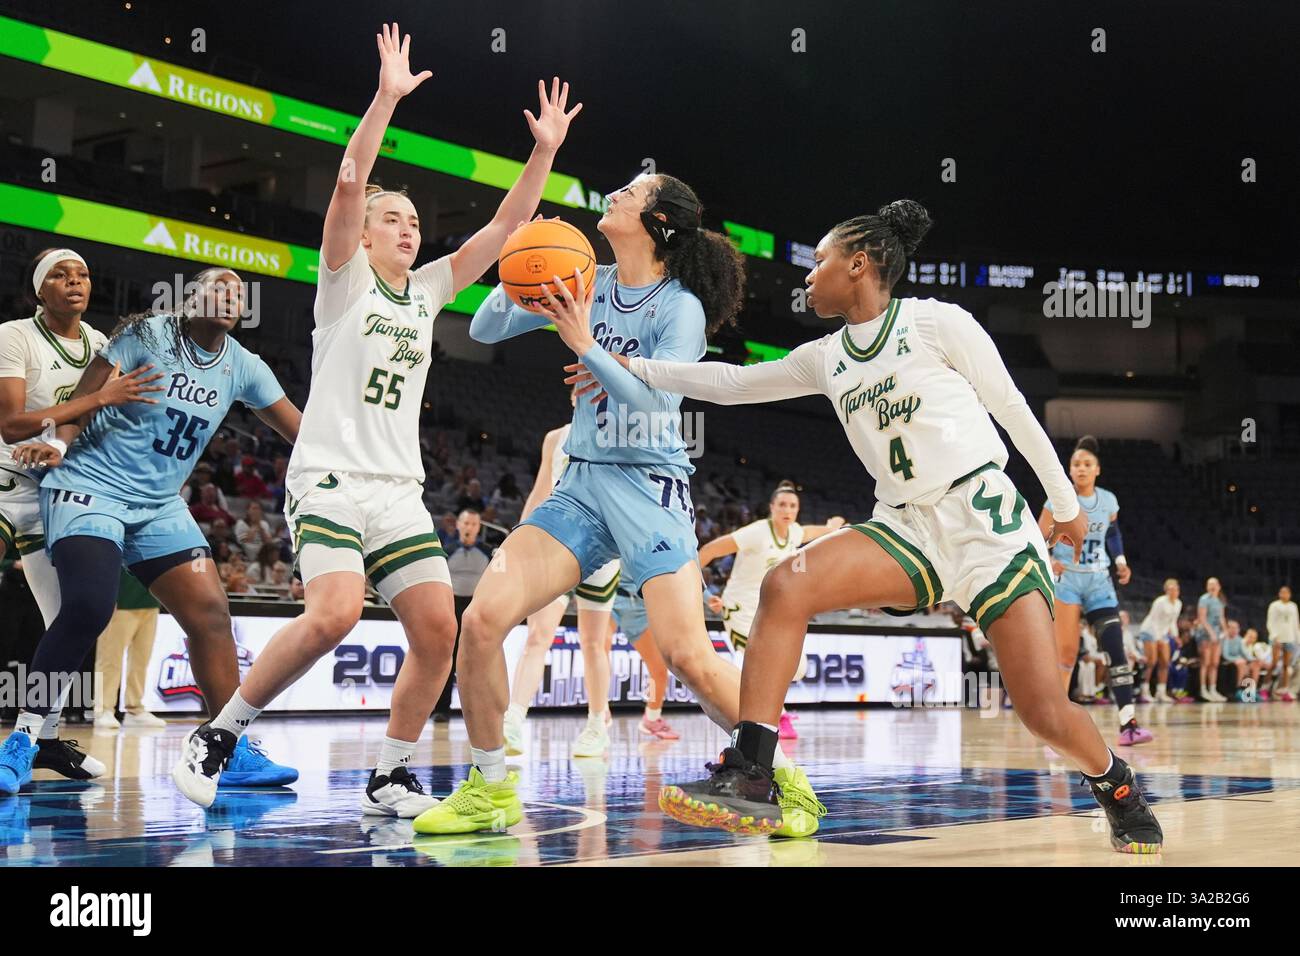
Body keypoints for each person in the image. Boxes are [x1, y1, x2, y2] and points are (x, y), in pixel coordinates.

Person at [587, 199, 1162, 853]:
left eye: (822, 258)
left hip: (985, 525)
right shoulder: (826, 358)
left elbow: (1012, 407)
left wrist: (1063, 504)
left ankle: (1116, 783)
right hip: (906, 526)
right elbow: (731, 382)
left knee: (1043, 711)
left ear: (858, 264)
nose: (809, 273)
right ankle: (752, 771)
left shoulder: (935, 323)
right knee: (785, 587)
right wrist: (630, 365)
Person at [177, 24, 582, 818]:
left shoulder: (426, 290)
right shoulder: (344, 281)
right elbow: (348, 182)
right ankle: (219, 735)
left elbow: (506, 232)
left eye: (413, 223)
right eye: (392, 220)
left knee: (439, 629)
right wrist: (386, 98)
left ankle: (392, 771)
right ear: (364, 236)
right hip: (329, 476)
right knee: (332, 614)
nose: (407, 228)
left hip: (397, 487)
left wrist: (543, 153)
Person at [414, 171, 827, 838]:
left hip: (649, 488)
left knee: (688, 654)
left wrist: (588, 347)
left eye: (631, 193)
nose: (615, 195)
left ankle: (785, 782)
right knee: (483, 620)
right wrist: (520, 259)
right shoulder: (586, 277)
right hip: (582, 485)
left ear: (660, 221)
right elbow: (488, 322)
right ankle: (490, 789)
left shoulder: (680, 307)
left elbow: (660, 403)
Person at [0, 266, 302, 798]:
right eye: (217, 286)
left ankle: (228, 747)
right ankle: (22, 741)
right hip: (89, 486)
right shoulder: (145, 334)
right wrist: (62, 445)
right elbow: (90, 394)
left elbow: (300, 431)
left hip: (159, 505)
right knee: (90, 607)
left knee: (211, 613)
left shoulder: (245, 366)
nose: (229, 296)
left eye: (238, 292)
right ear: (191, 297)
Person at [0, 247, 158, 784]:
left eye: (83, 275)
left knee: (76, 619)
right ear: (38, 290)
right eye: (60, 275)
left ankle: (40, 740)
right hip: (5, 483)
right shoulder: (14, 335)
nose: (75, 282)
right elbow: (13, 426)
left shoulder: (103, 346)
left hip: (58, 495)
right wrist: (98, 397)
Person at [698, 481, 845, 739]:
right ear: (771, 508)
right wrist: (702, 591)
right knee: (753, 662)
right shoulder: (757, 532)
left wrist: (832, 527)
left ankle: (768, 714)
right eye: (782, 505)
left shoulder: (794, 533)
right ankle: (765, 719)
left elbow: (811, 532)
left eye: (792, 506)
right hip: (739, 607)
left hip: (768, 608)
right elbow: (709, 551)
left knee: (797, 667)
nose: (787, 510)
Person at [1037, 436, 1151, 746]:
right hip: (1068, 582)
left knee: (1115, 648)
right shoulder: (1057, 501)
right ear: (1070, 471)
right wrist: (1049, 558)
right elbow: (1038, 537)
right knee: (1066, 654)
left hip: (1099, 580)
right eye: (1076, 465)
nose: (1081, 469)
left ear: (1097, 470)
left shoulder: (1109, 501)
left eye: (1087, 464)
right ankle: (1057, 730)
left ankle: (1128, 724)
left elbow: (1113, 533)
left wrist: (1121, 561)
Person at [434, 508, 493, 721]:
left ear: (479, 527)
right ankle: (442, 709)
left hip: (476, 608)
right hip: (451, 607)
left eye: (474, 524)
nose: (469, 528)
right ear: (458, 524)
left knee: (477, 663)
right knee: (447, 660)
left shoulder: (488, 552)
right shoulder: (446, 551)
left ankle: (477, 711)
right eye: (466, 523)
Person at [93, 568, 166, 730]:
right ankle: (103, 709)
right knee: (110, 658)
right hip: (120, 600)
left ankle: (135, 709)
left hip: (151, 600)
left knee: (141, 660)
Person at [1138, 579, 1181, 702]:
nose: (1173, 592)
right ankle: (1144, 691)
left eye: (1175, 589)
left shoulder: (1178, 603)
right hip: (1149, 631)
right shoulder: (1160, 602)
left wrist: (1175, 636)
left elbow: (1172, 622)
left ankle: (1160, 692)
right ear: (1166, 591)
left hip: (1162, 633)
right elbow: (1154, 620)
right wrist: (1157, 639)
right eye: (1170, 590)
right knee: (1151, 661)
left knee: (1165, 662)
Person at [1196, 577, 1228, 701]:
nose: (1212, 586)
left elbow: (1221, 617)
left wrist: (1224, 630)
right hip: (1205, 633)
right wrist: (1211, 633)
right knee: (1206, 662)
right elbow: (1202, 618)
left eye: (1214, 584)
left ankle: (1213, 689)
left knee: (1215, 663)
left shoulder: (1220, 600)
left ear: (1219, 586)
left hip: (1217, 633)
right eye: (1209, 584)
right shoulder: (1204, 599)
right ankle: (1203, 689)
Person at [1266, 584, 1298, 702]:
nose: (1284, 594)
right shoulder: (1274, 606)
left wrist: (1297, 638)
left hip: (1289, 638)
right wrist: (1274, 637)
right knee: (1274, 663)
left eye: (1287, 592)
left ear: (1290, 594)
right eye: (1282, 592)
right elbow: (1270, 622)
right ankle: (1265, 687)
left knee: (1286, 665)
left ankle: (1285, 689)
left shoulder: (1293, 606)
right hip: (1277, 637)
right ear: (1279, 594)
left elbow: (1295, 623)